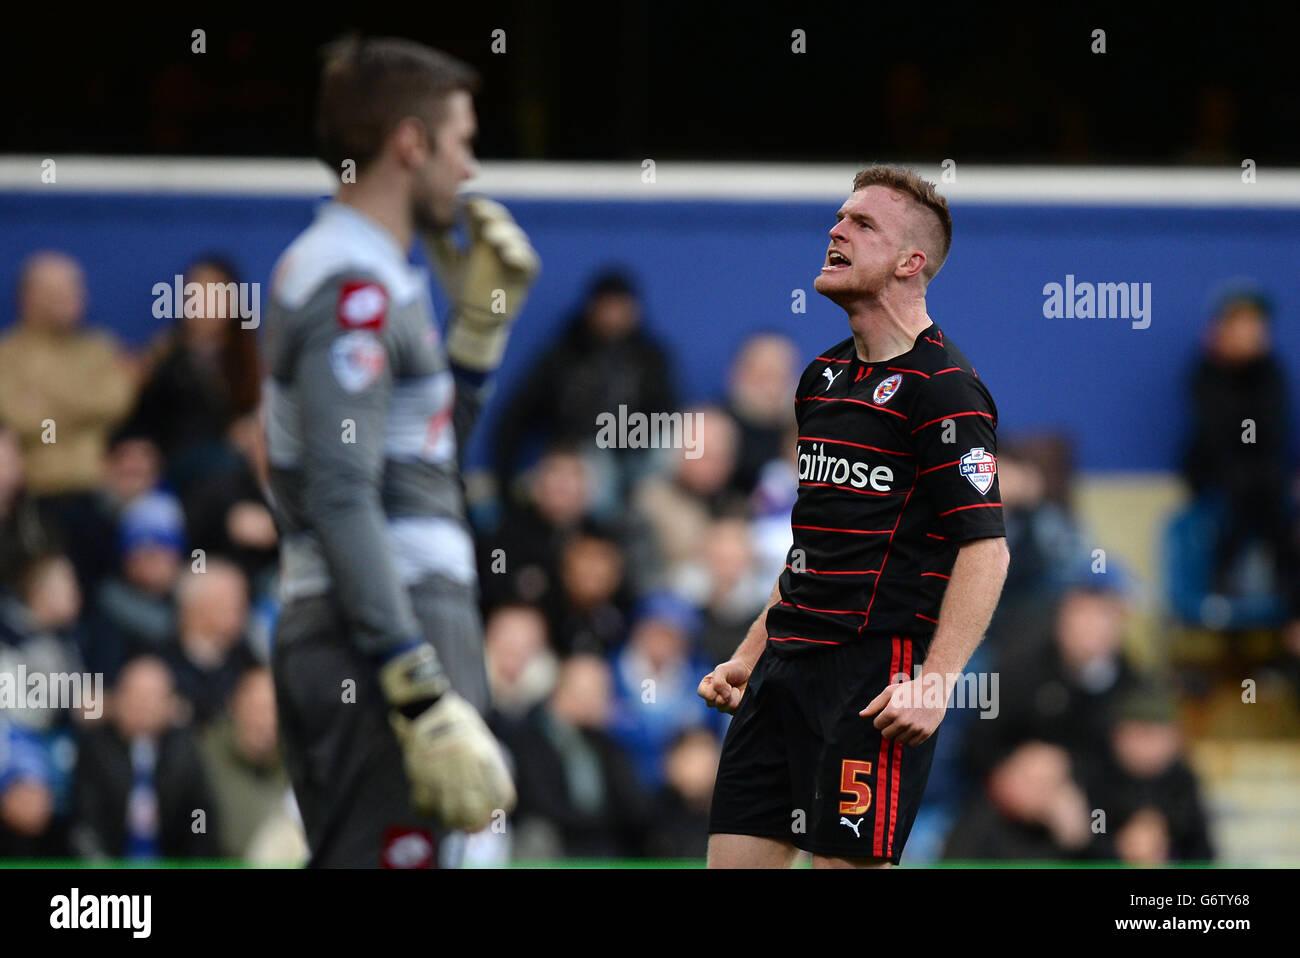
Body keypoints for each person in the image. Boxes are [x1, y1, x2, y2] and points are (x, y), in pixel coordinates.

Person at [262, 36, 531, 867]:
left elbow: (417, 462)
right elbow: (342, 495)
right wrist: (413, 682)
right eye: (461, 142)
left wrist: (476, 336)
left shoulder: (373, 272)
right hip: (377, 637)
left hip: (379, 627)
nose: (471, 168)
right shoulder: (354, 284)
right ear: (409, 144)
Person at [699, 166, 1009, 868]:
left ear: (911, 262)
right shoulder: (822, 380)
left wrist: (936, 682)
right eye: (839, 218)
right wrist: (750, 656)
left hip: (874, 680)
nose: (835, 231)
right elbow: (811, 549)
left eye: (862, 223)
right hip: (781, 672)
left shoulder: (946, 389)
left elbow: (986, 550)